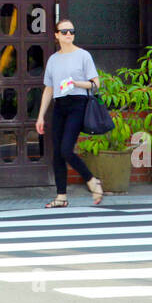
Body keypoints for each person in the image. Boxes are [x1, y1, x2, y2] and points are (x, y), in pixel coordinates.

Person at [35, 18, 105, 207]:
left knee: (66, 149)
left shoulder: (83, 55)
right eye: (64, 31)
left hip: (78, 103)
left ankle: (92, 181)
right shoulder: (53, 59)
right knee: (57, 153)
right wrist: (41, 116)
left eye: (71, 31)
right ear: (56, 35)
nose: (68, 35)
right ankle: (61, 197)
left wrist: (75, 83)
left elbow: (95, 83)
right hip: (59, 105)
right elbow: (49, 88)